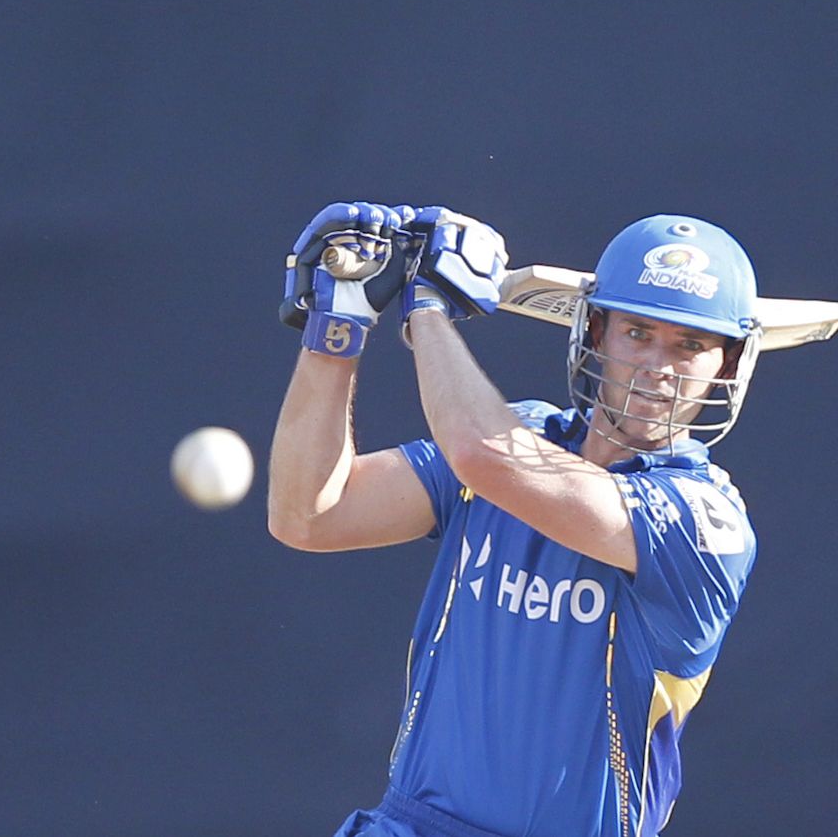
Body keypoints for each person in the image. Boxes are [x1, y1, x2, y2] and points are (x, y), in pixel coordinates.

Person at [269, 202, 765, 837]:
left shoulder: (704, 521)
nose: (657, 368)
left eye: (690, 345)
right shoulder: (525, 431)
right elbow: (310, 514)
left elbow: (485, 455)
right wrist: (337, 328)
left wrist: (427, 310)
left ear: (726, 364)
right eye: (638, 333)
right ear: (595, 335)